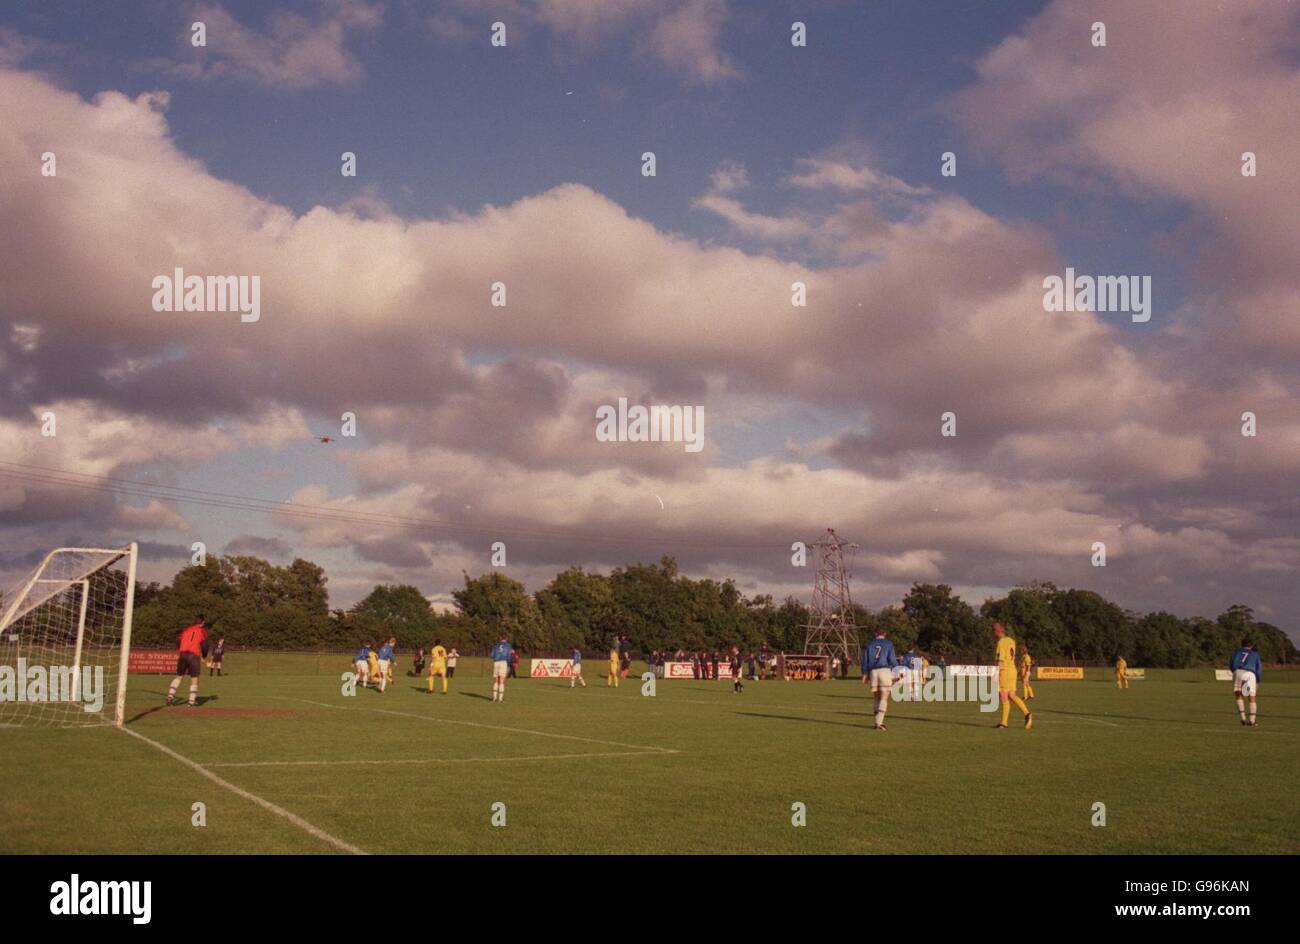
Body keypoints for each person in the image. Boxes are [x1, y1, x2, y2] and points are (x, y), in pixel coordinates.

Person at [993, 624, 1033, 730]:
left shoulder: (1001, 642)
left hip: (1005, 671)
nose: (993, 633)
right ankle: (1027, 714)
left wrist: (996, 674)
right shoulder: (1011, 640)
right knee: (1011, 695)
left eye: (994, 630)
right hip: (1012, 670)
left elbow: (1001, 660)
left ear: (998, 631)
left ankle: (1004, 723)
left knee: (1003, 695)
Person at [166, 615, 209, 707]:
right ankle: (191, 701)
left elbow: (178, 641)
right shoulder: (202, 631)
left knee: (179, 676)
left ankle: (170, 695)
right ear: (203, 622)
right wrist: (204, 656)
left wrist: (180, 649)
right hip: (193, 656)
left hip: (183, 654)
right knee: (194, 678)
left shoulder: (186, 629)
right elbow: (205, 645)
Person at [861, 628, 897, 731]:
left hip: (873, 672)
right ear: (885, 634)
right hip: (884, 671)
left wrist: (864, 673)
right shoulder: (888, 643)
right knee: (884, 697)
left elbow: (865, 660)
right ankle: (879, 723)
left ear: (875, 634)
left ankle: (878, 723)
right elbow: (892, 659)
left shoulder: (870, 644)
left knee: (876, 698)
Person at [1229, 638, 1262, 726]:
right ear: (1251, 646)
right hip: (1249, 674)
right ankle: (1252, 720)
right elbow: (1259, 669)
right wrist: (1258, 681)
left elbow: (1231, 664)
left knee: (1238, 694)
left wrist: (1235, 673)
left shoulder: (1236, 652)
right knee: (1251, 697)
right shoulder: (1255, 654)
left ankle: (1243, 718)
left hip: (1237, 671)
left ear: (1242, 645)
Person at [489, 635, 513, 703]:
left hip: (496, 662)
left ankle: (494, 698)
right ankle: (500, 699)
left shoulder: (496, 645)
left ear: (500, 639)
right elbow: (509, 656)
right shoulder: (508, 645)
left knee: (496, 680)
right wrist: (508, 664)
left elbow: (491, 655)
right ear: (506, 639)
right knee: (502, 680)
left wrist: (496, 659)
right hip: (503, 662)